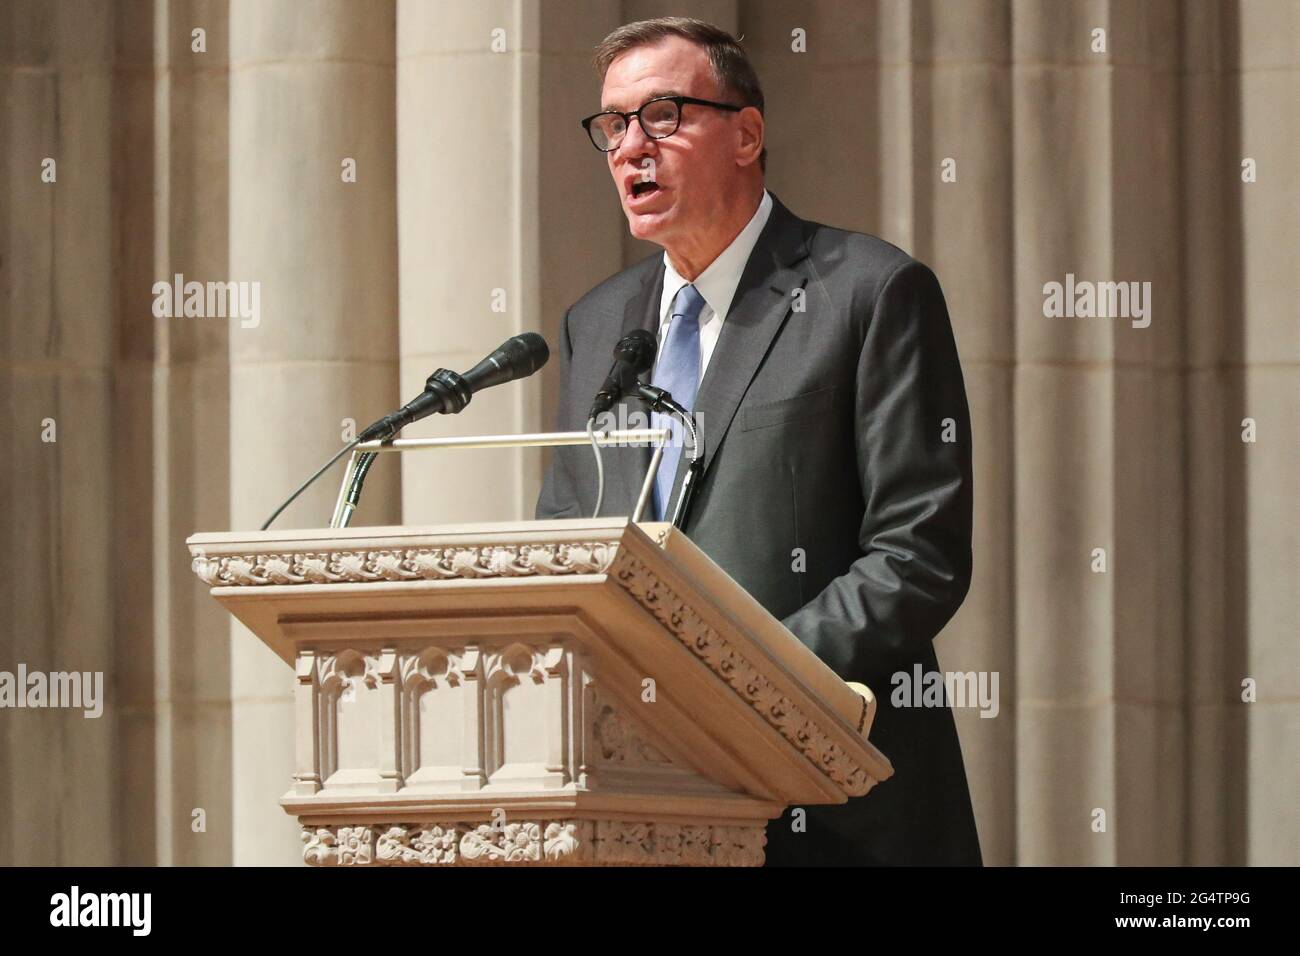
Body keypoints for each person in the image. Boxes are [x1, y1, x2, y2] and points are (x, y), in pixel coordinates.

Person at [536, 16, 982, 866]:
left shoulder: (869, 292)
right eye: (613, 125)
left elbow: (917, 554)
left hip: (836, 803)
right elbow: (570, 543)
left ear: (747, 134)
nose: (632, 147)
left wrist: (742, 685)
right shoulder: (595, 324)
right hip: (644, 803)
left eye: (663, 115)